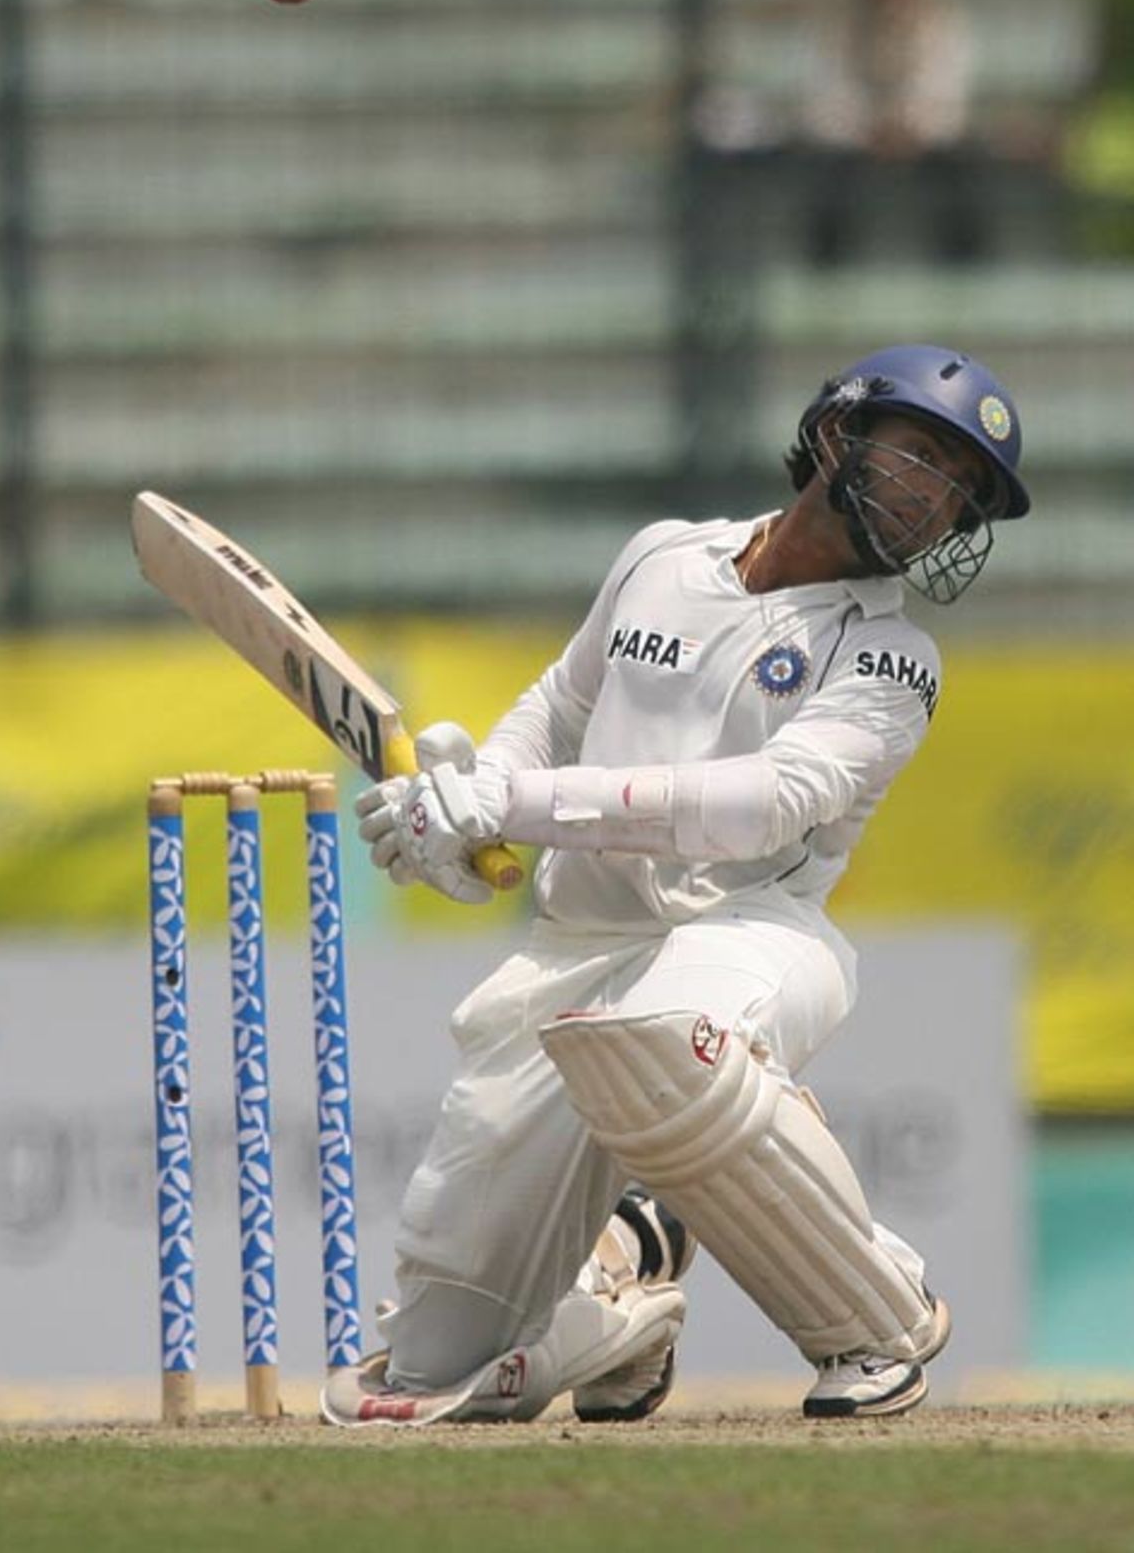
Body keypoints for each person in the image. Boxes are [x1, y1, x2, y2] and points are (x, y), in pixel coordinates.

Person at [321, 343, 1030, 1428]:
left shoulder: (892, 656)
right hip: (572, 946)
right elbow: (559, 706)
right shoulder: (663, 555)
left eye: (959, 489)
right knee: (431, 1362)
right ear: (839, 433)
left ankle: (882, 1316)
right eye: (924, 454)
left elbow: (763, 802)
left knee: (663, 1030)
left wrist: (510, 806)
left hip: (753, 930)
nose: (935, 497)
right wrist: (462, 815)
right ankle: (624, 1307)